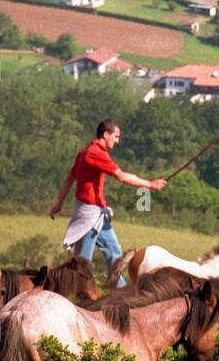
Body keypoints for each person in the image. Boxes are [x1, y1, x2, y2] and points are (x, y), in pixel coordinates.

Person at [50, 119, 166, 286]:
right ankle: (72, 296)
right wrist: (150, 184)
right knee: (82, 264)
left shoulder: (83, 153)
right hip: (90, 215)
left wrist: (59, 204)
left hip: (98, 214)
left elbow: (69, 180)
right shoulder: (95, 153)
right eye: (116, 137)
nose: (117, 141)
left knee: (115, 254)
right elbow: (122, 176)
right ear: (105, 135)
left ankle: (120, 295)